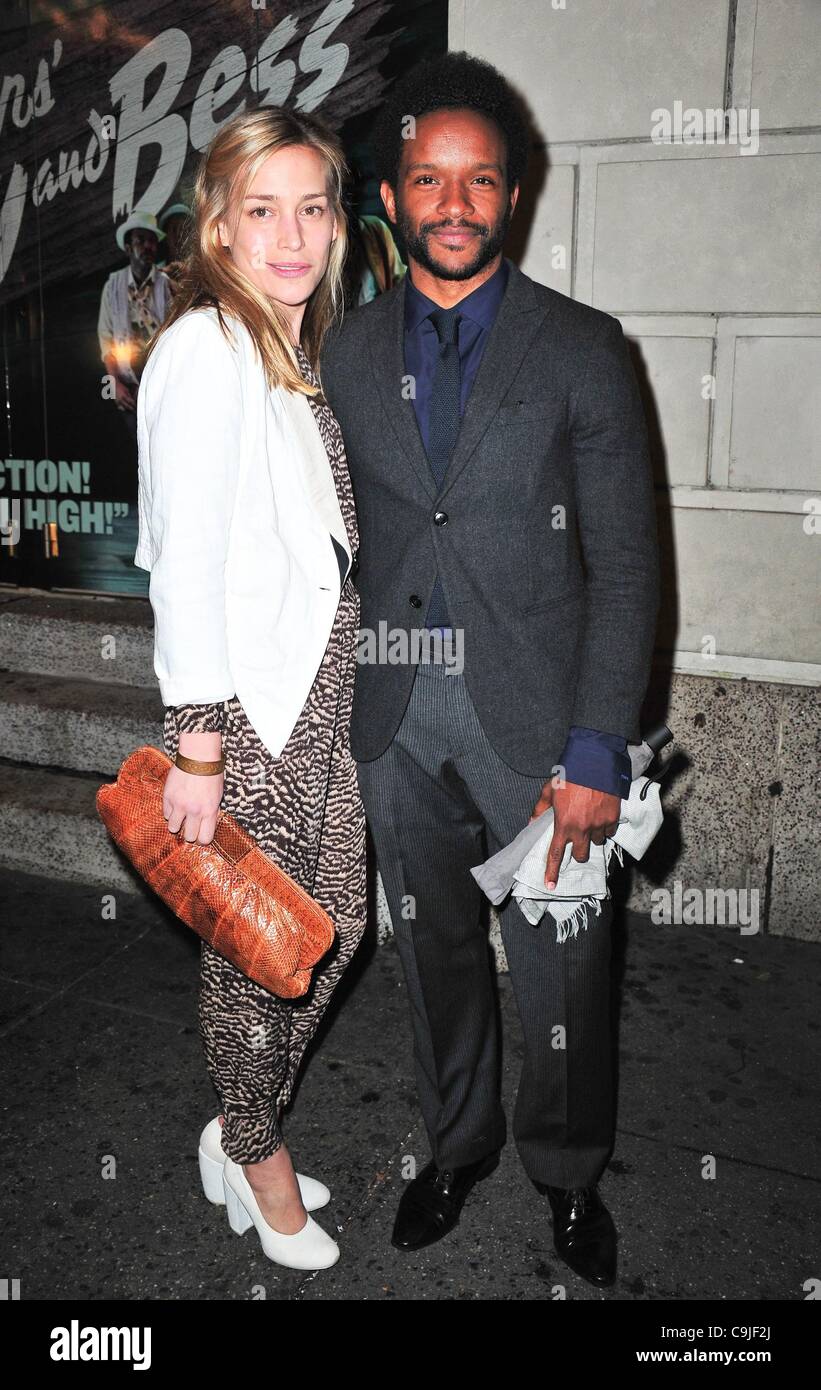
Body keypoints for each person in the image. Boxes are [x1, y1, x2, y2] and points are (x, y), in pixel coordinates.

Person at [320, 52, 660, 1287]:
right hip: (398, 715)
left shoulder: (581, 348)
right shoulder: (345, 352)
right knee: (432, 950)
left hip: (539, 722)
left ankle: (565, 1171)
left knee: (565, 960)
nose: (451, 202)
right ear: (394, 197)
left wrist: (592, 752)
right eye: (427, 178)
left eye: (478, 181)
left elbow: (626, 570)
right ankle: (455, 1144)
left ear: (510, 198)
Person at [134, 107, 366, 1271]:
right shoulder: (204, 348)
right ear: (217, 226)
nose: (289, 234)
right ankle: (257, 1165)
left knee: (333, 931)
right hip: (247, 719)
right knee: (258, 950)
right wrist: (197, 745)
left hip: (315, 706)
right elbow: (179, 553)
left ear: (336, 222)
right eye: (259, 209)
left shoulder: (286, 351)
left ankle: (238, 1128)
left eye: (310, 207)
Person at [97, 212, 174, 445]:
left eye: (152, 240)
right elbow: (106, 341)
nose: (148, 246)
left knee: (164, 447)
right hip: (129, 386)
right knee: (138, 451)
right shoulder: (113, 286)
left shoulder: (167, 284)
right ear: (129, 247)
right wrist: (115, 385)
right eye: (141, 240)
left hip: (163, 387)